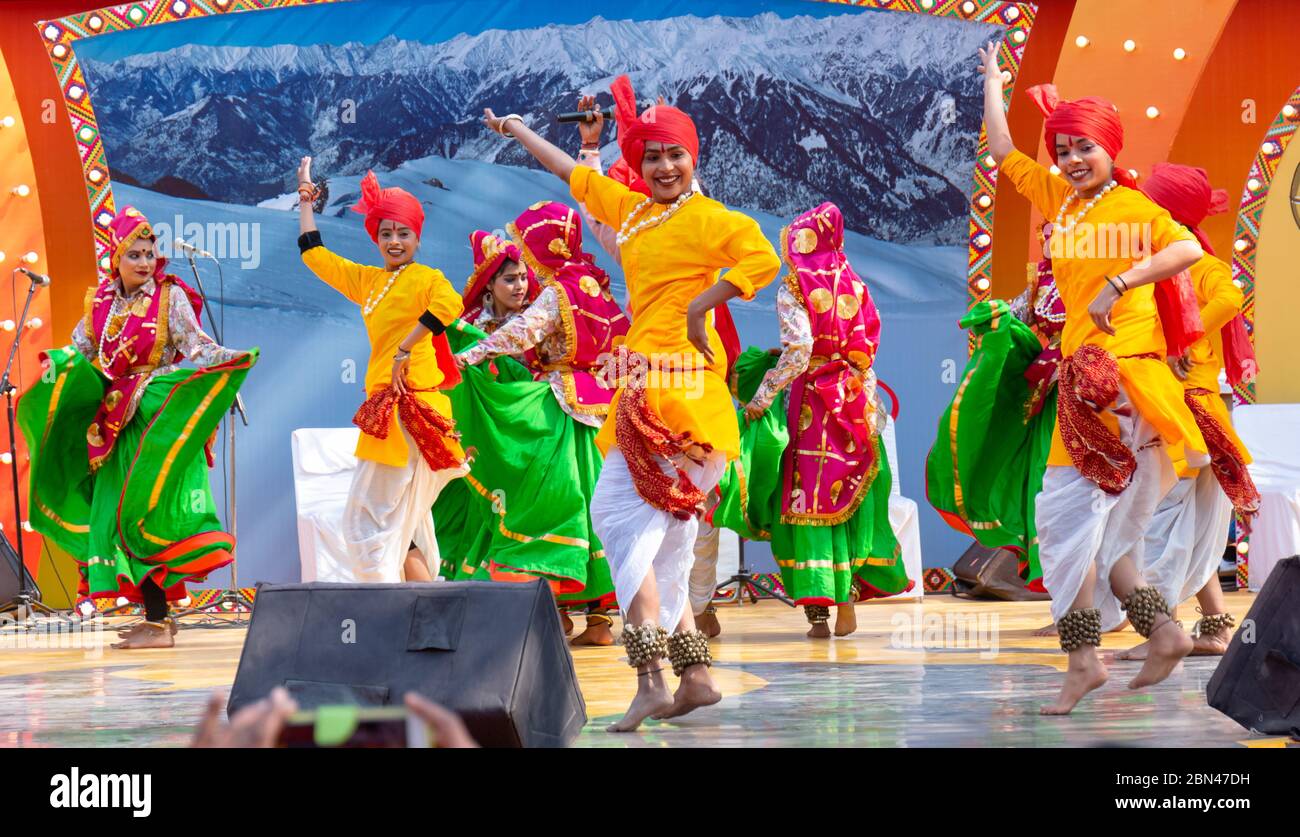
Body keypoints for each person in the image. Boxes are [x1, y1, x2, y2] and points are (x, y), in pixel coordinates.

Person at [483, 72, 780, 731]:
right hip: (645, 384)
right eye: (652, 156)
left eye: (675, 154)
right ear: (640, 165)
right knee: (663, 541)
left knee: (617, 518)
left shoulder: (707, 218)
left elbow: (763, 258)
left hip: (685, 393)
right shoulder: (638, 211)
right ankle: (693, 673)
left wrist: (705, 306)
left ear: (692, 158)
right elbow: (573, 175)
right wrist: (517, 129)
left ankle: (650, 678)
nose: (665, 165)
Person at [979, 41, 1209, 714]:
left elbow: (1187, 245)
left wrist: (1120, 279)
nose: (1073, 159)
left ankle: (1083, 659)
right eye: (1065, 148)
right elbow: (1003, 153)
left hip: (1118, 382)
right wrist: (995, 84)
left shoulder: (1128, 208)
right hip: (1095, 382)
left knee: (1058, 521)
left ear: (1111, 149)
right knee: (1103, 541)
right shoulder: (1063, 200)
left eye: (1086, 148)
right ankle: (1161, 632)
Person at [19, 206, 255, 649]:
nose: (145, 263)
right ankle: (156, 619)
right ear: (116, 258)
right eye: (135, 255)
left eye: (150, 254)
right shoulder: (102, 303)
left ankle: (158, 622)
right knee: (113, 518)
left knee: (141, 514)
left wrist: (232, 360)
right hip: (111, 428)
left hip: (153, 419)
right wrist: (55, 368)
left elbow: (197, 347)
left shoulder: (171, 297)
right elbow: (80, 351)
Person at [715, 203, 908, 638]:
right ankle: (847, 601)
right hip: (854, 397)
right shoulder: (855, 285)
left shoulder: (794, 287)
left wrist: (762, 397)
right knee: (851, 493)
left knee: (808, 498)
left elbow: (799, 351)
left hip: (811, 405)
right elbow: (867, 350)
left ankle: (818, 613)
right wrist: (869, 400)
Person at [443, 214, 629, 647]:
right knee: (588, 506)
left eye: (526, 261)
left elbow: (521, 335)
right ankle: (593, 620)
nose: (523, 278)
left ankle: (556, 615)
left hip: (557, 411)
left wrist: (470, 356)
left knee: (554, 508)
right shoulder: (593, 286)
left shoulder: (554, 294)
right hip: (597, 409)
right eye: (511, 275)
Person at [296, 158, 466, 584]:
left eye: (403, 233)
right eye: (386, 233)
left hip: (411, 411)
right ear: (374, 237)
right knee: (405, 525)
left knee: (363, 522)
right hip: (391, 410)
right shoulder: (371, 281)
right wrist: (305, 199)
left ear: (416, 236)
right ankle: (426, 616)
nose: (394, 241)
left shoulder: (426, 278)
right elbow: (315, 256)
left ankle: (383, 611)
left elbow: (450, 305)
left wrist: (405, 348)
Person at [1115, 163, 1260, 660]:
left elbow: (1231, 294)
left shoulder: (1197, 265)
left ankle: (1163, 634)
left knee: (1157, 520)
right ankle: (1217, 628)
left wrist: (1188, 336)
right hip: (1186, 410)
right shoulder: (1155, 264)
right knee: (1193, 524)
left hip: (1186, 411)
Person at [926, 222, 1060, 596]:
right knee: (1041, 484)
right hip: (1051, 397)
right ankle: (1067, 602)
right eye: (1046, 236)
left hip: (1092, 391)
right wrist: (999, 318)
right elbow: (1018, 316)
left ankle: (1103, 602)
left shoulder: (1099, 282)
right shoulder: (1042, 284)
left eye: (1062, 234)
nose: (1050, 243)